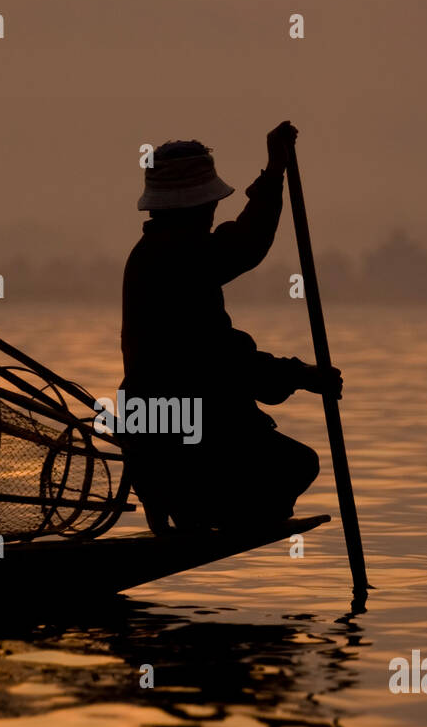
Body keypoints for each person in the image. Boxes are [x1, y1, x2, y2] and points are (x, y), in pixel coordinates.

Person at [119, 121, 342, 535]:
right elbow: (222, 358)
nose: (213, 210)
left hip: (157, 428)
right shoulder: (178, 258)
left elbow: (242, 244)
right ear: (194, 207)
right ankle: (195, 506)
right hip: (174, 431)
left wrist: (275, 171)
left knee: (282, 467)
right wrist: (301, 376)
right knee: (296, 466)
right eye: (209, 204)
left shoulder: (157, 252)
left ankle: (183, 500)